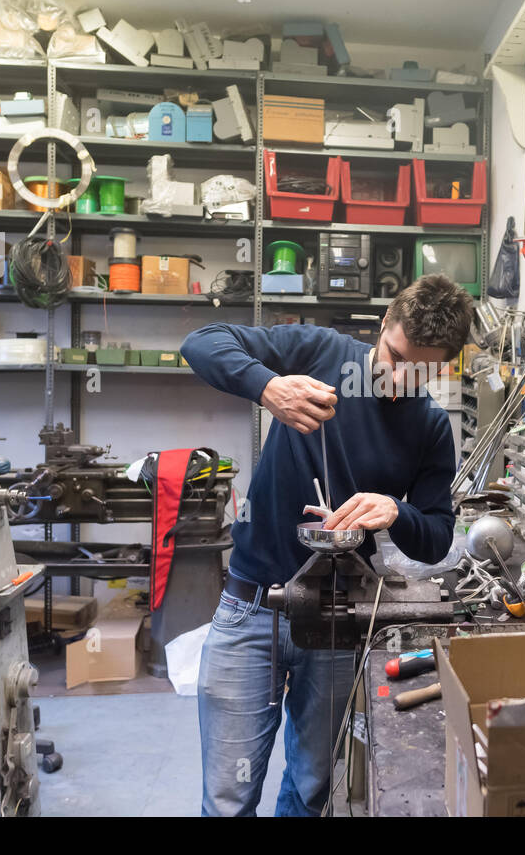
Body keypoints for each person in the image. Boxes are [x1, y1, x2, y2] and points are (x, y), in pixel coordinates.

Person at [181, 274, 475, 816]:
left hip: (340, 623)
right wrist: (268, 387)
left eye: (422, 368)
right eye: (394, 355)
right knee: (229, 797)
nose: (399, 376)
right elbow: (200, 344)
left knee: (313, 786)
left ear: (446, 366)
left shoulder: (431, 428)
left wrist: (396, 511)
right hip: (251, 610)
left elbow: (436, 537)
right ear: (383, 324)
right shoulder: (319, 351)